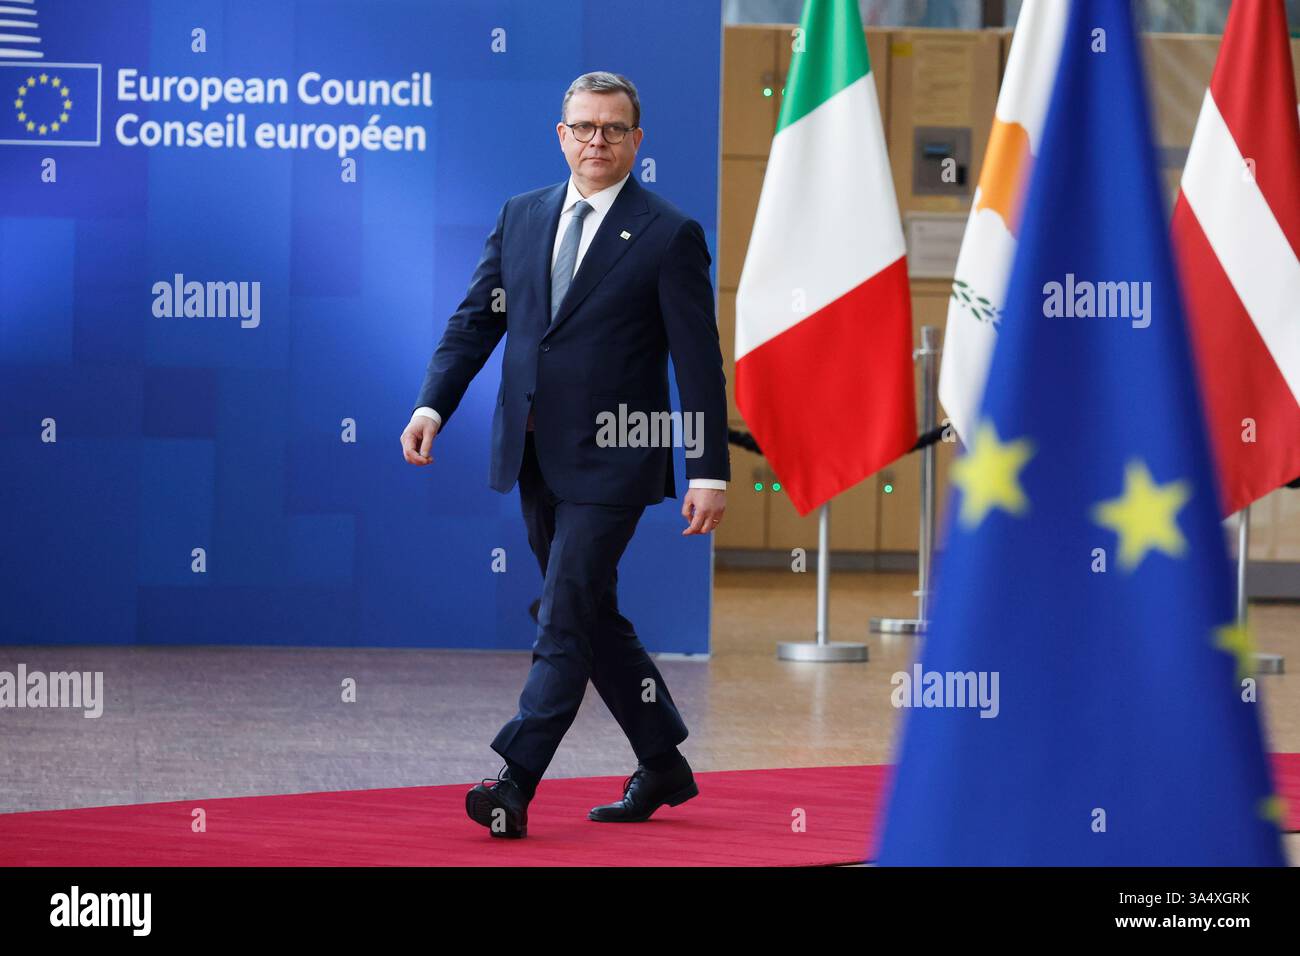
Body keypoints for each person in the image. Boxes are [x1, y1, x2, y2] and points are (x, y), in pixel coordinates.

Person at [400, 71, 730, 838]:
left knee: (563, 613)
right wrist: (432, 404)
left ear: (636, 141)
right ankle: (662, 759)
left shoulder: (667, 233)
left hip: (619, 455)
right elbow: (476, 321)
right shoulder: (521, 216)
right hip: (533, 455)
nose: (597, 141)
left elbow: (699, 364)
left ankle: (513, 780)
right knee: (587, 614)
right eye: (583, 127)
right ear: (562, 134)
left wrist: (708, 468)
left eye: (613, 129)